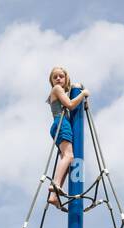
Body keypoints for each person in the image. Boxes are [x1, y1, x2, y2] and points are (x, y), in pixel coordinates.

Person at [46, 66, 89, 210]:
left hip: (61, 125)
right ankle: (55, 185)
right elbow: (70, 105)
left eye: (61, 76)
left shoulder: (61, 92)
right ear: (52, 81)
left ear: (66, 78)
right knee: (69, 156)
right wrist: (83, 94)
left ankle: (53, 196)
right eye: (55, 77)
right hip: (61, 124)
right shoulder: (57, 90)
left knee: (65, 159)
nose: (58, 79)